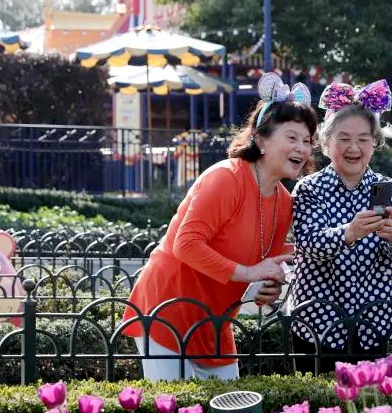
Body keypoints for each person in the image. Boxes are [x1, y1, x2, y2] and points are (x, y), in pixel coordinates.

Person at [123, 74, 318, 381]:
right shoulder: (226, 178)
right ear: (262, 139)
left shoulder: (284, 201)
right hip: (168, 308)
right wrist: (249, 273)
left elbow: (265, 267)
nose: (302, 148)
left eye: (307, 141)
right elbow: (185, 244)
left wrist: (269, 285)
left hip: (215, 321)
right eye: (291, 137)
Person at [289, 80, 392, 372]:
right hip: (319, 325)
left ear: (375, 143)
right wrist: (349, 233)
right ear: (326, 142)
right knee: (324, 411)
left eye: (363, 139)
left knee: (376, 410)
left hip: (376, 324)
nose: (353, 147)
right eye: (343, 138)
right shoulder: (309, 189)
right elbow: (309, 243)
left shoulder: (390, 189)